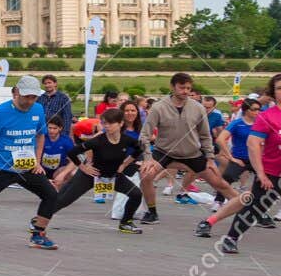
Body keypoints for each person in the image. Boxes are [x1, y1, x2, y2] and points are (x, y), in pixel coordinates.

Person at [0, 76, 63, 250]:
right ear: (17, 92)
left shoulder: (38, 109)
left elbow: (40, 135)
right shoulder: (1, 112)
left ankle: (38, 234)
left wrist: (38, 162)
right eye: (26, 96)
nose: (30, 100)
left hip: (26, 166)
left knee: (51, 194)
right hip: (0, 166)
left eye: (34, 97)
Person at [138, 73, 240, 223]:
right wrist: (147, 158)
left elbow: (206, 136)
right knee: (145, 175)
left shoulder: (198, 108)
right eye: (182, 87)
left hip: (192, 154)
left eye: (188, 88)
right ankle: (152, 213)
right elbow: (144, 135)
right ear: (172, 87)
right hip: (164, 152)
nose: (185, 91)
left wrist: (210, 159)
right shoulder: (158, 107)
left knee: (219, 183)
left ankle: (244, 207)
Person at [205, 73, 281, 254]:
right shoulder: (267, 117)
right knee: (256, 206)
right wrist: (261, 174)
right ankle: (231, 238)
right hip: (272, 172)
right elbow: (253, 144)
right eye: (279, 88)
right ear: (273, 92)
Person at [51, 108, 146, 233]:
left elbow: (139, 149)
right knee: (64, 200)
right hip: (91, 175)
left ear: (120, 124)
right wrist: (84, 167)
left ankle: (125, 223)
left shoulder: (126, 140)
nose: (106, 126)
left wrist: (124, 164)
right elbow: (73, 152)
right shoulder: (98, 140)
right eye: (104, 123)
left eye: (110, 123)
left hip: (112, 176)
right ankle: (40, 219)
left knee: (136, 194)